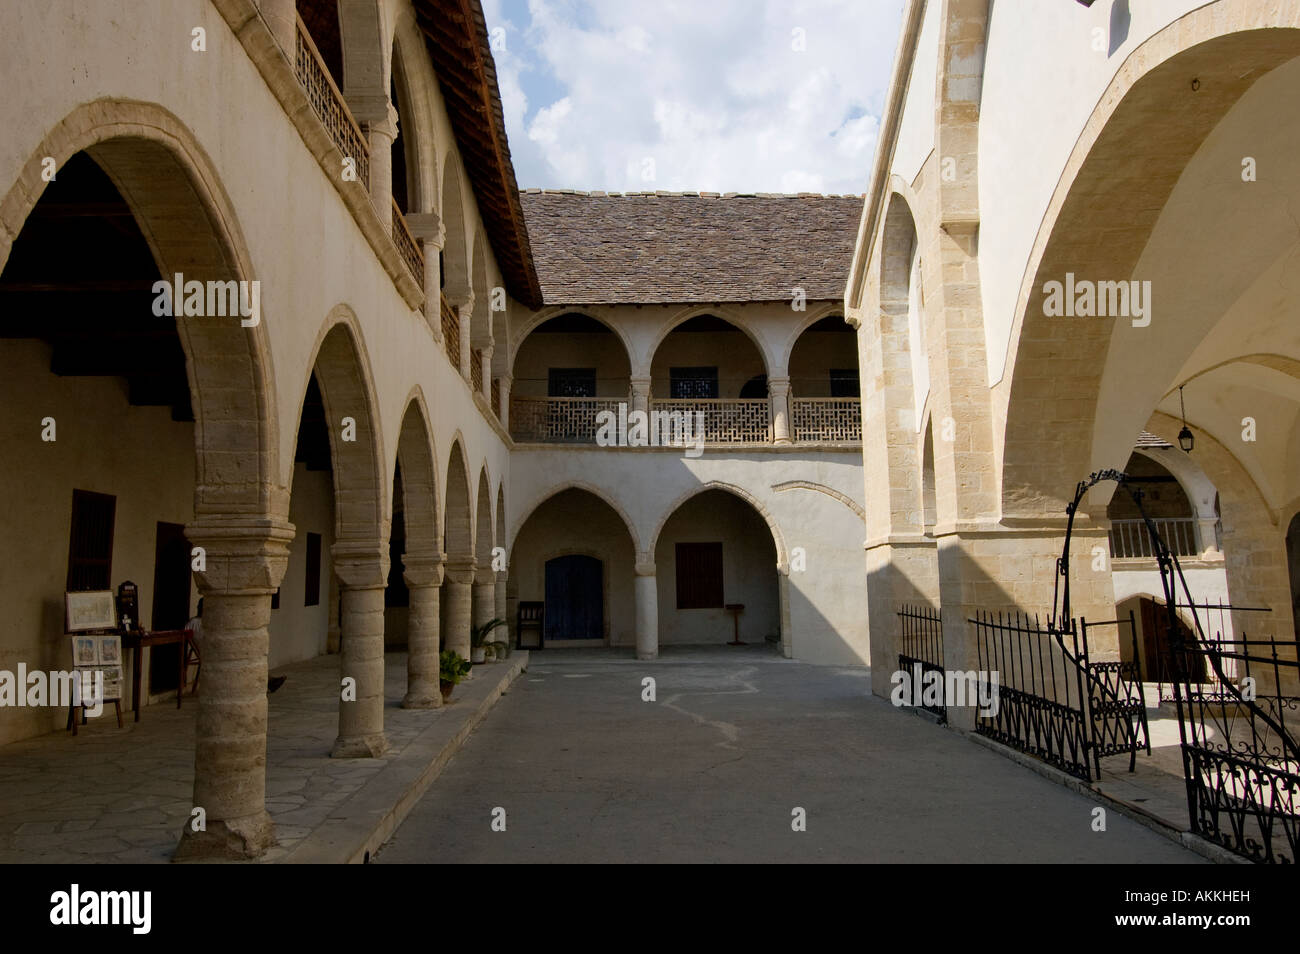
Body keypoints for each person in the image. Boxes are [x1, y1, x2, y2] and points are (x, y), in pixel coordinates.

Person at [185, 599, 287, 694]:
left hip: (207, 652)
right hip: (215, 654)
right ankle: (266, 682)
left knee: (247, 657)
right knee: (247, 659)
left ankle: (267, 681)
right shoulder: (209, 623)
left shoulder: (191, 623)